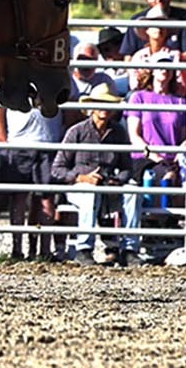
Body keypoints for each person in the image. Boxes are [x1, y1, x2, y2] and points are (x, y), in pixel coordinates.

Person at [50, 84, 135, 266]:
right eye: (100, 102)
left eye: (108, 103)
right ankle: (84, 249)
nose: (104, 107)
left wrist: (117, 180)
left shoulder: (119, 132)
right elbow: (57, 169)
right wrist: (81, 178)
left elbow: (128, 167)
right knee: (89, 194)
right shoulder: (77, 131)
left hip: (109, 183)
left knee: (133, 193)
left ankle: (130, 249)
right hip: (80, 185)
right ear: (92, 106)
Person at [124, 67, 186, 249]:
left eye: (169, 66)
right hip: (144, 156)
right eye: (160, 65)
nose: (165, 70)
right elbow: (134, 135)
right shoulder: (139, 97)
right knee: (158, 176)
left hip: (172, 158)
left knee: (181, 175)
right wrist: (152, 154)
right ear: (152, 71)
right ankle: (155, 223)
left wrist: (178, 154)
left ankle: (168, 224)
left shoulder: (180, 102)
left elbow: (184, 137)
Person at [0, 100, 65, 261]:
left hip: (49, 143)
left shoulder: (57, 74)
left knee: (47, 198)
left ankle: (44, 251)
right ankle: (17, 249)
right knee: (18, 197)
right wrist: (2, 138)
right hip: (18, 143)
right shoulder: (11, 76)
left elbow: (70, 103)